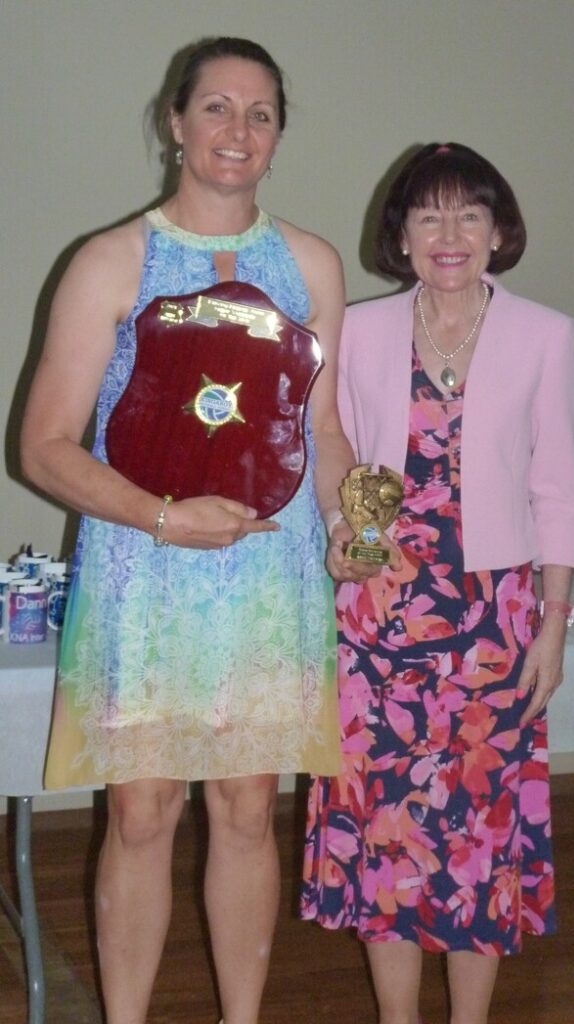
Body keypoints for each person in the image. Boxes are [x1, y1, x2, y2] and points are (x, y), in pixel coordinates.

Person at [21, 36, 358, 1024]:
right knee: (140, 810)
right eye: (216, 107)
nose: (236, 130)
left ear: (278, 135)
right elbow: (42, 446)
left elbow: (326, 429)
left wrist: (344, 517)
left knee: (250, 808)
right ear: (174, 122)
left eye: (258, 113)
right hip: (143, 569)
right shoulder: (111, 261)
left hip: (266, 572)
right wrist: (162, 518)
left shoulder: (309, 263)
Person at [301, 142, 574, 1024]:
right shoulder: (365, 330)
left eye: (470, 213)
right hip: (380, 614)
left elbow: (559, 486)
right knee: (383, 831)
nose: (449, 232)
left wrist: (553, 622)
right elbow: (329, 448)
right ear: (403, 235)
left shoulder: (546, 334)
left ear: (499, 232)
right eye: (429, 215)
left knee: (476, 835)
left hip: (493, 620)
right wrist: (346, 535)